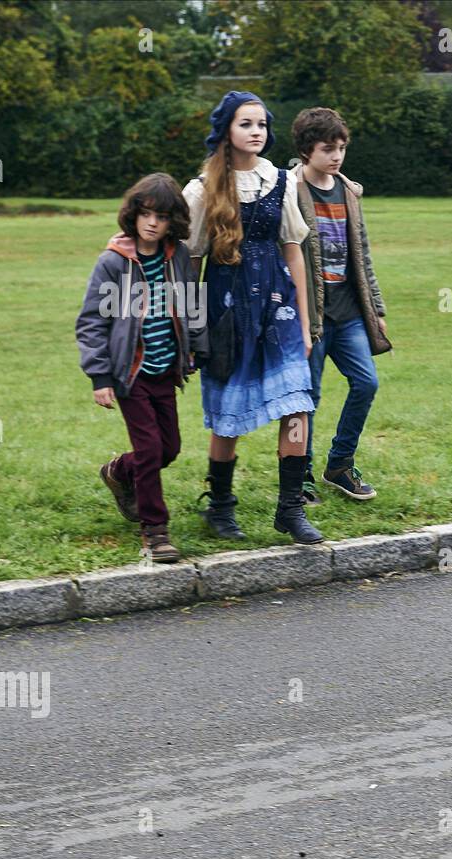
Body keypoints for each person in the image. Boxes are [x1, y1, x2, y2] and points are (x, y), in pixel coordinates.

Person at [182, 91, 323, 544]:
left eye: (262, 124)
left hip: (278, 306)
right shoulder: (203, 188)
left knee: (297, 403)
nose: (257, 132)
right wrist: (189, 325)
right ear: (227, 130)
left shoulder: (280, 181)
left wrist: (304, 323)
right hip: (227, 309)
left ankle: (289, 509)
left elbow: (294, 252)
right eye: (246, 124)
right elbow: (190, 262)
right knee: (228, 414)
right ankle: (220, 508)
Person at [75, 172, 204, 562]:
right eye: (146, 214)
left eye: (162, 217)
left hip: (166, 370)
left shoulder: (176, 256)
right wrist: (100, 376)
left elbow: (191, 303)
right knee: (149, 449)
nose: (152, 223)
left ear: (173, 221)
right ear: (133, 214)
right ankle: (155, 530)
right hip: (129, 373)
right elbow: (92, 320)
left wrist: (194, 350)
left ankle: (118, 472)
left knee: (169, 449)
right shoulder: (114, 262)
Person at [287, 106, 391, 504]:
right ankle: (301, 476)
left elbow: (362, 255)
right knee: (306, 398)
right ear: (306, 149)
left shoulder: (349, 190)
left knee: (366, 383)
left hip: (348, 314)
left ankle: (340, 465)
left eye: (342, 147)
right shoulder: (289, 191)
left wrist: (376, 311)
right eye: (328, 148)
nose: (337, 156)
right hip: (309, 316)